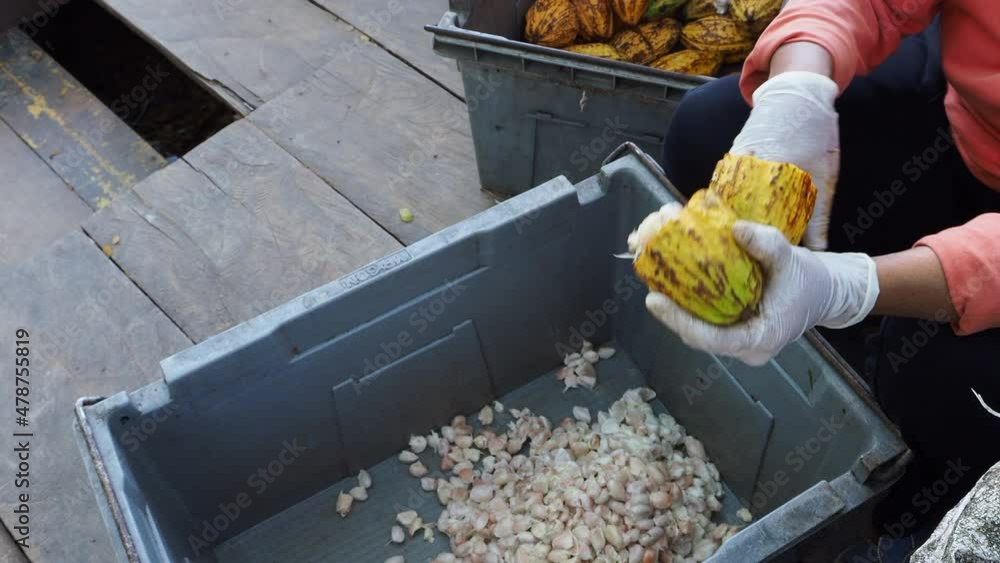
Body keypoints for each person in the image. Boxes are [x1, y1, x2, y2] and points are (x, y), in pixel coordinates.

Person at [649, 0, 1000, 556]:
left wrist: (855, 287)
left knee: (951, 379)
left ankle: (896, 520)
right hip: (969, 116)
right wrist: (798, 84)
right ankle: (835, 357)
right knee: (705, 131)